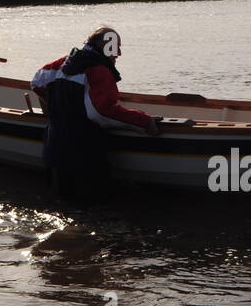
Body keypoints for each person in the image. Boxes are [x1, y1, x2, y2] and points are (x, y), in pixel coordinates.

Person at [31, 26, 159, 199]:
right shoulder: (99, 70)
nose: (119, 53)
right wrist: (144, 121)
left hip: (54, 149)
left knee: (64, 205)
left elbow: (37, 82)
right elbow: (101, 112)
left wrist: (56, 106)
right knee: (90, 208)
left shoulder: (64, 62)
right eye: (115, 46)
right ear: (101, 44)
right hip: (83, 152)